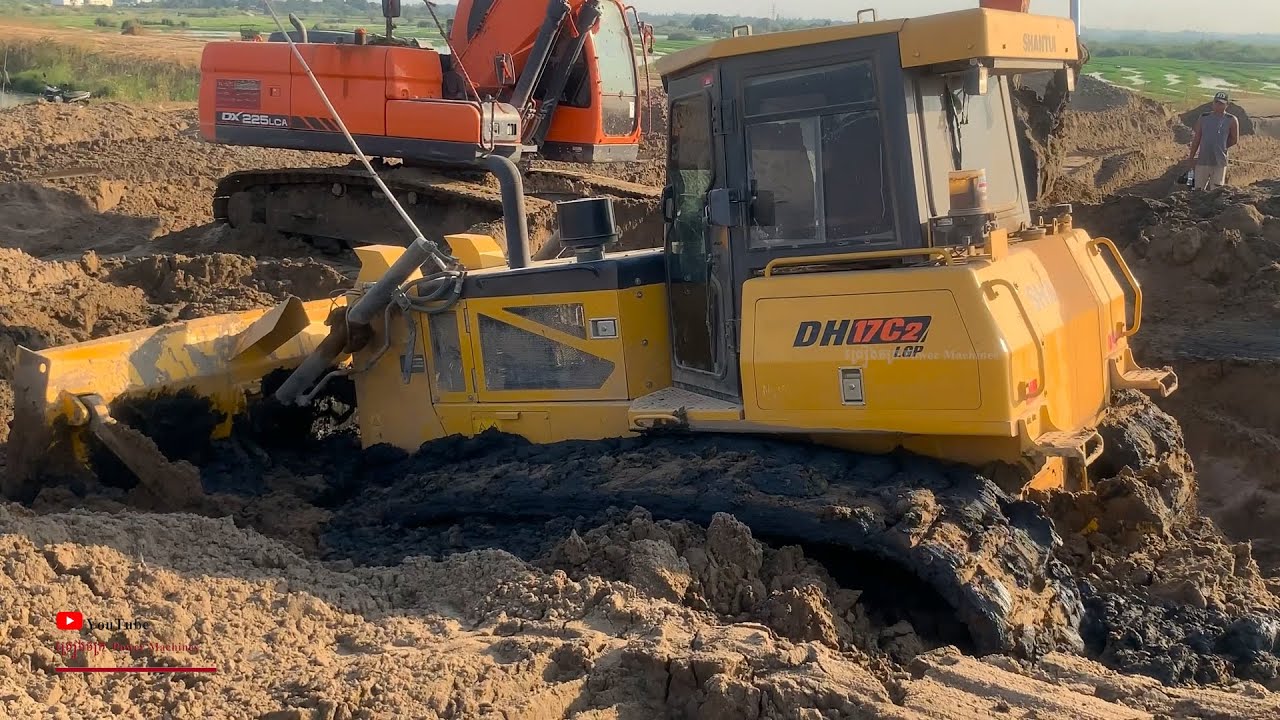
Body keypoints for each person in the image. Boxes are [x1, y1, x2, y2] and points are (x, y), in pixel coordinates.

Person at [1187, 91, 1240, 190]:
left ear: (1226, 105)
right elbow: (1197, 138)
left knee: (1216, 191)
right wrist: (1191, 157)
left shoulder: (1231, 120)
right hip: (1203, 160)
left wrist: (1221, 146)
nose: (1217, 105)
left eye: (1221, 103)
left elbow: (1234, 139)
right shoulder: (1204, 117)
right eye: (1216, 102)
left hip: (1219, 162)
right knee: (1197, 190)